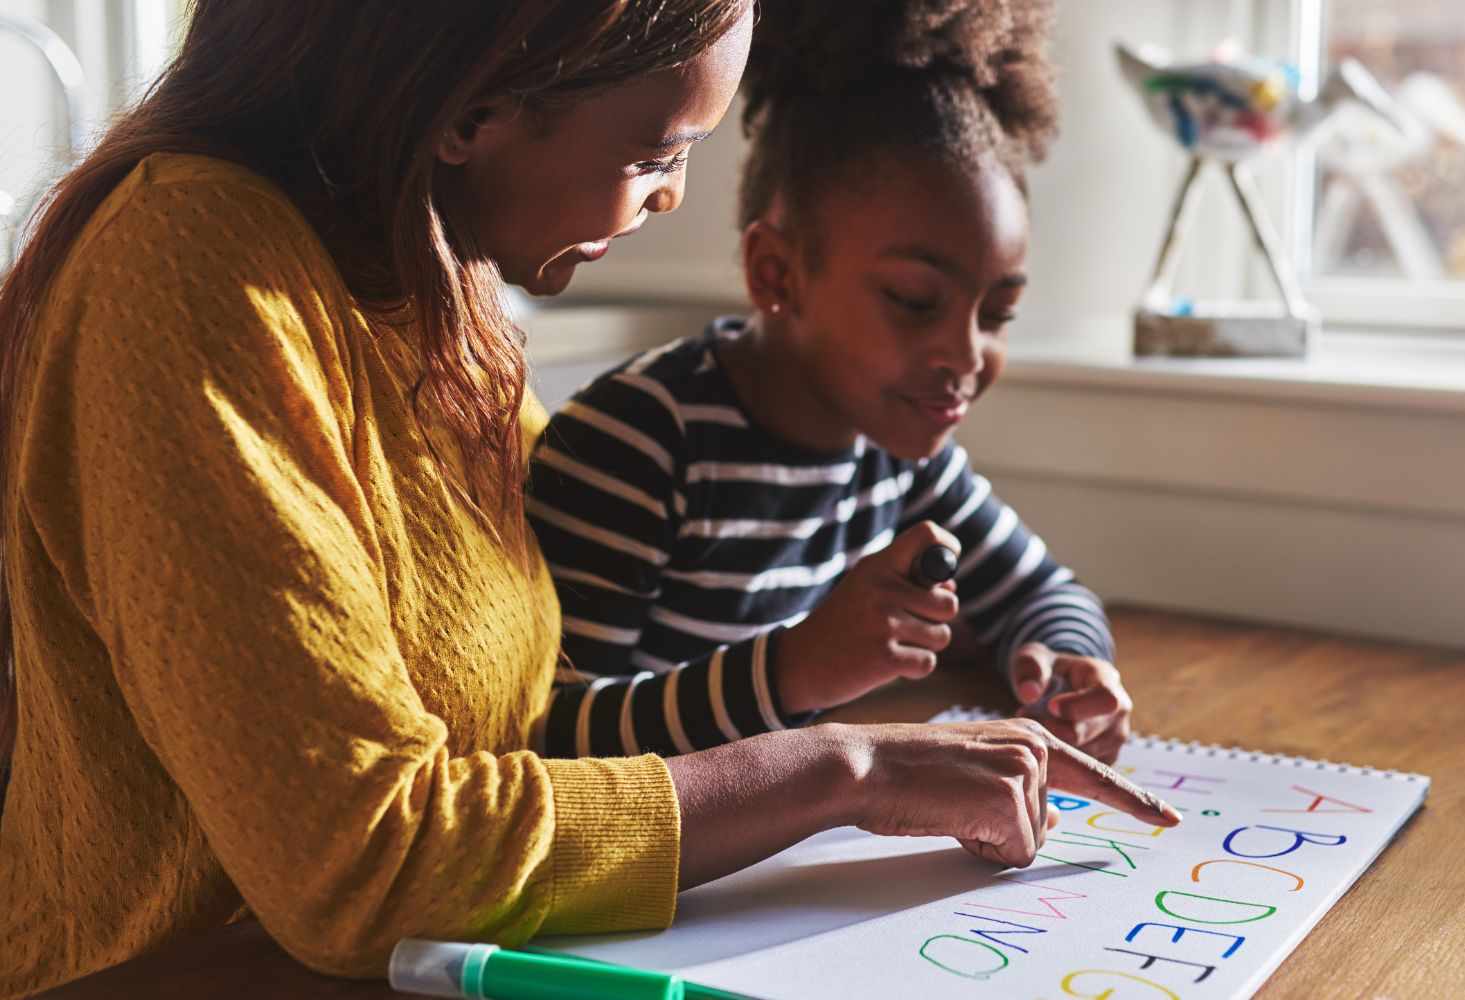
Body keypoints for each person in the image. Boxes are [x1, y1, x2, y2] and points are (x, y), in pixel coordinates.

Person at [0, 2, 1175, 995]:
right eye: (656, 153)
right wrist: (842, 770)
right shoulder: (189, 264)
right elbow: (358, 866)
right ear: (470, 110)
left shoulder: (441, 289)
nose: (672, 202)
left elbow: (540, 672)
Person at [528, 0, 1137, 768]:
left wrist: (1065, 662)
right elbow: (557, 743)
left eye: (998, 311)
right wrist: (796, 670)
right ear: (777, 273)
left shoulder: (901, 458)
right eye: (915, 302)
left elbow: (1046, 593)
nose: (966, 353)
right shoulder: (637, 445)